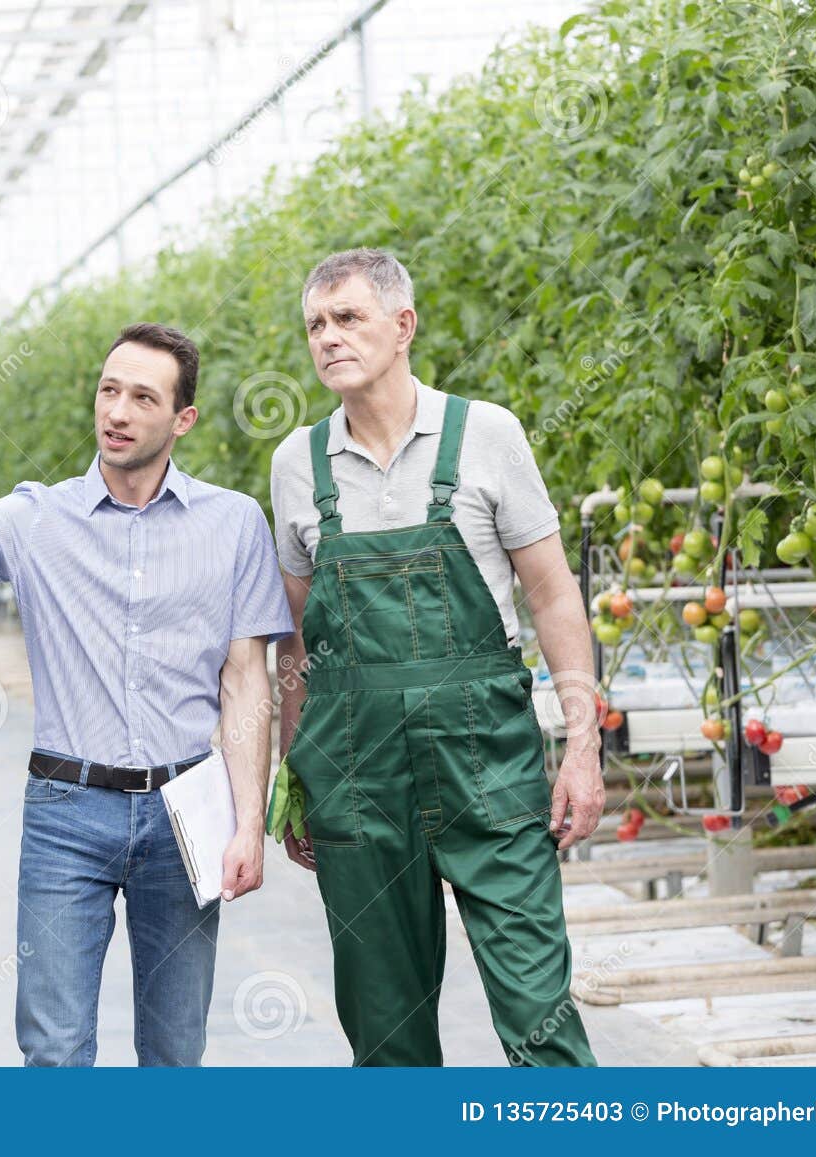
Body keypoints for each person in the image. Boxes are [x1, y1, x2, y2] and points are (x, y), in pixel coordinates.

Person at [0, 323, 293, 1067]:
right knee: (53, 1048)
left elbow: (245, 686)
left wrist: (247, 821)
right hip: (65, 813)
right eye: (110, 389)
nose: (117, 410)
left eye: (144, 396)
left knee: (174, 1052)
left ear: (183, 419)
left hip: (185, 811)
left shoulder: (233, 524)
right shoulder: (40, 517)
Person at [267, 248, 602, 1067]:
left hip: (486, 761)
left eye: (348, 317)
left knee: (538, 1012)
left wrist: (583, 747)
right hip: (356, 776)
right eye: (316, 324)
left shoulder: (485, 435)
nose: (329, 338)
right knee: (386, 1034)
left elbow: (555, 597)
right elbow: (302, 642)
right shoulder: (296, 464)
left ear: (403, 324)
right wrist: (294, 775)